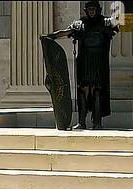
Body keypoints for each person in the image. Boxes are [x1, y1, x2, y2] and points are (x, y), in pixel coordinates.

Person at [45, 1, 118, 130]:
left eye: (93, 9)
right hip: (84, 61)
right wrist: (51, 36)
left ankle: (97, 123)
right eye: (89, 9)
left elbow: (119, 23)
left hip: (98, 63)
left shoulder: (105, 22)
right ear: (86, 10)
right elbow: (67, 32)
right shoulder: (80, 24)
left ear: (98, 10)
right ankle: (81, 122)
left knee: (97, 91)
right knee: (82, 92)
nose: (91, 11)